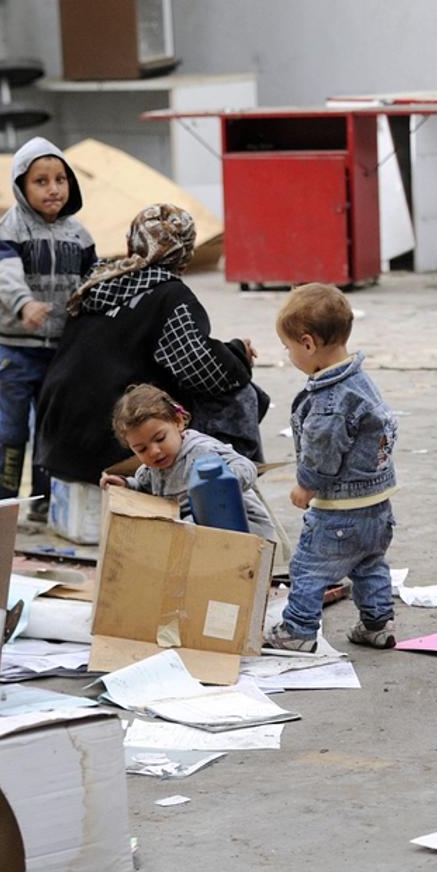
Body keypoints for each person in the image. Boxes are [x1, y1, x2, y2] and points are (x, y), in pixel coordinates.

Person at [36, 203, 266, 484]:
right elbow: (206, 373)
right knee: (239, 392)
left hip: (54, 446)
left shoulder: (97, 282)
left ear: (132, 244)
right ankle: (231, 481)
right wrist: (239, 353)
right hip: (107, 449)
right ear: (184, 254)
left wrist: (230, 349)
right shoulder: (169, 295)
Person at [264, 284, 399, 652]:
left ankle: (299, 631)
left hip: (340, 510)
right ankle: (377, 623)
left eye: (288, 347)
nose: (289, 354)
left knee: (309, 567)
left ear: (307, 344)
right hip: (377, 504)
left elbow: (323, 449)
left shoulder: (329, 400)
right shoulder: (360, 381)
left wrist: (306, 485)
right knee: (369, 564)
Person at [0, 138, 97, 505]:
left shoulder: (79, 234)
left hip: (60, 350)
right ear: (21, 186)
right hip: (16, 350)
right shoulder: (11, 229)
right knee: (11, 429)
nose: (53, 189)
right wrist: (23, 305)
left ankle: (42, 500)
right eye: (41, 181)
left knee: (50, 428)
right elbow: (7, 275)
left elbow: (92, 280)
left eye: (60, 180)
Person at [99, 384, 277, 545]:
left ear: (178, 422)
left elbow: (246, 465)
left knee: (188, 526)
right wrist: (126, 485)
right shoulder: (150, 469)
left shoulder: (201, 452)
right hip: (202, 531)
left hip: (245, 528)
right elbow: (145, 488)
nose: (153, 451)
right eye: (141, 449)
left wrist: (223, 483)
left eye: (160, 438)